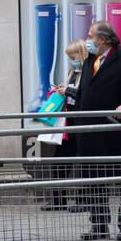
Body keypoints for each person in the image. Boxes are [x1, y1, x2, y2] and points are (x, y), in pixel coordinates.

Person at [73, 19, 121, 240]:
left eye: (91, 36)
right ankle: (99, 225)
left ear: (103, 39)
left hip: (116, 133)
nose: (87, 40)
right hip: (89, 133)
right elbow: (85, 91)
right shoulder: (89, 60)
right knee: (93, 181)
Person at [38, 40, 87, 210]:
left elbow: (87, 96)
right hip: (69, 121)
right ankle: (59, 199)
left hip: (82, 122)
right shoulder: (72, 71)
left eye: (73, 56)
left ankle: (83, 201)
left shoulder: (89, 73)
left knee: (83, 162)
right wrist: (62, 90)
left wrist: (68, 91)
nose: (71, 60)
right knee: (59, 161)